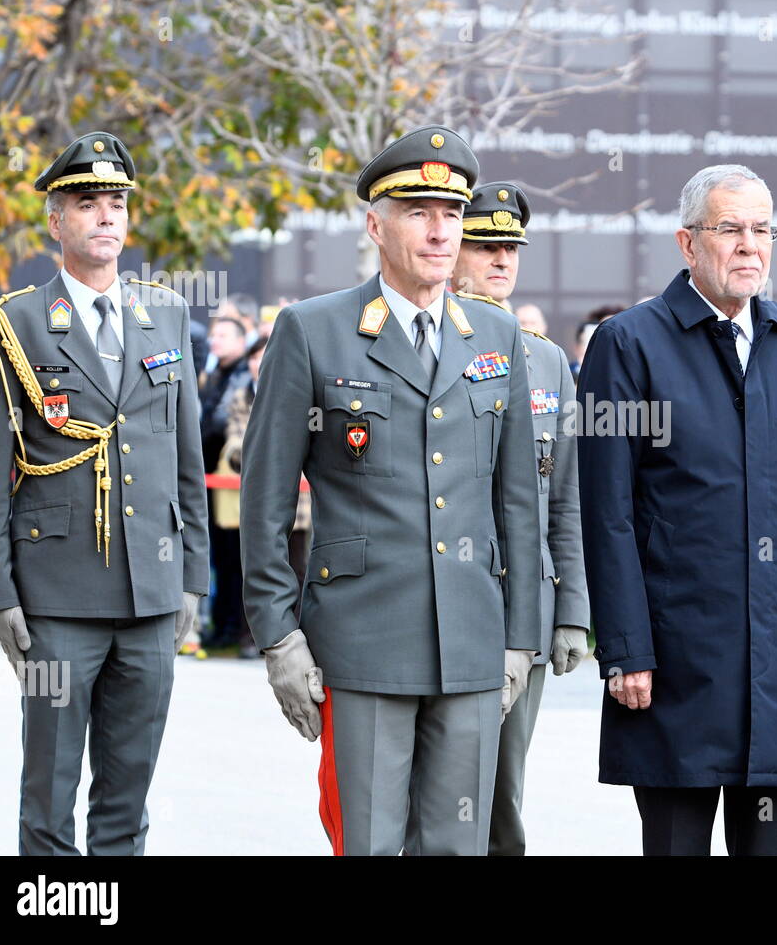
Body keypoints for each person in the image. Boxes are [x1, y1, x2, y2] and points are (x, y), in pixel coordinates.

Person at [240, 125, 541, 856]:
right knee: (369, 844)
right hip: (363, 642)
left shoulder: (495, 337)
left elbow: (519, 504)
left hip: (472, 643)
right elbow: (265, 499)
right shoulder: (314, 332)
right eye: (419, 212)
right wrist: (279, 636)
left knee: (458, 846)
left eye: (452, 213)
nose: (442, 232)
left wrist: (520, 639)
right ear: (377, 224)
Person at [578, 163, 777, 856]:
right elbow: (606, 512)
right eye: (729, 228)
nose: (749, 245)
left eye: (761, 229)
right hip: (674, 662)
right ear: (687, 244)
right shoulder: (628, 346)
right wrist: (625, 650)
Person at [0, 132, 208, 854]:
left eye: (115, 204)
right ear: (55, 221)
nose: (105, 217)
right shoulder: (14, 323)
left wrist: (193, 577)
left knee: (126, 798)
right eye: (86, 204)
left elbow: (186, 460)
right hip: (56, 599)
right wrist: (1, 596)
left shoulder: (164, 314)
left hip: (149, 595)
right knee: (48, 792)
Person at [452, 180, 590, 855]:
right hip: (441, 601)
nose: (500, 259)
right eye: (484, 246)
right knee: (434, 795)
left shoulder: (546, 361)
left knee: (503, 796)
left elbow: (565, 496)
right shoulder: (423, 342)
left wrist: (573, 611)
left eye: (511, 248)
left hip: (520, 605)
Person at [198, 315, 250, 650]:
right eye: (213, 334)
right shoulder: (216, 375)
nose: (215, 341)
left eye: (223, 335)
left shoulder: (244, 377)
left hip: (235, 479)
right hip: (213, 479)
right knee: (219, 555)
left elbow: (217, 423)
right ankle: (222, 625)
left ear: (241, 340)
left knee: (236, 557)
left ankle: (236, 628)